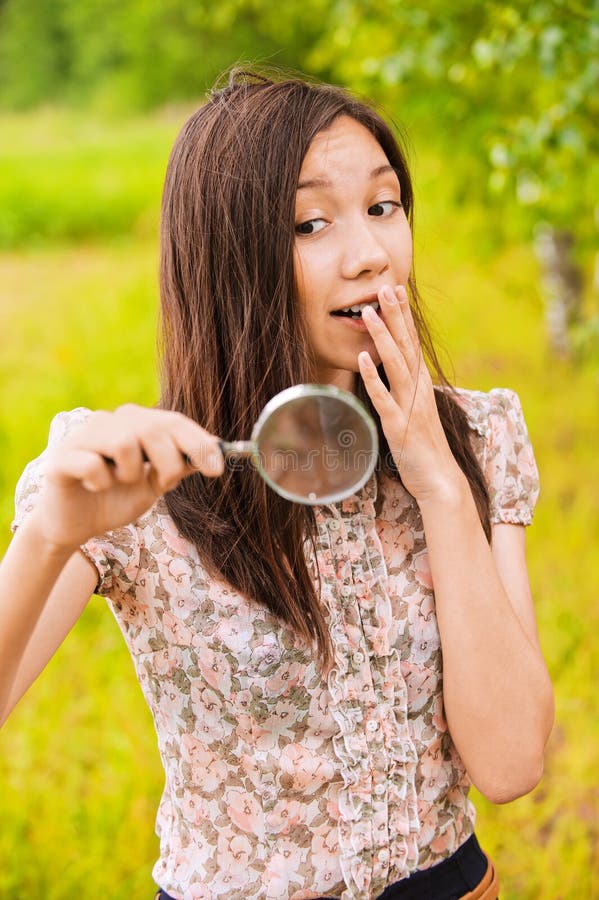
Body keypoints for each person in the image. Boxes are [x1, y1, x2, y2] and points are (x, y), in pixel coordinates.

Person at [0, 70, 554, 900]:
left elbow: (511, 764)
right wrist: (52, 534)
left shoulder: (475, 435)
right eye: (310, 223)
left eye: (383, 206)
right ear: (227, 254)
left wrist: (438, 480)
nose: (370, 254)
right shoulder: (141, 479)